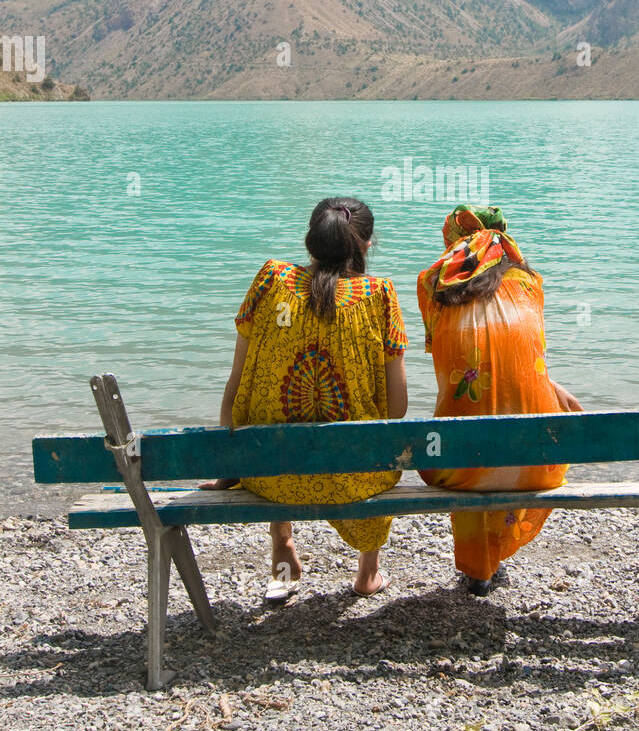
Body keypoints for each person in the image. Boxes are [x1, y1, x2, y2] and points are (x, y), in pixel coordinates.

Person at [205, 198, 408, 600]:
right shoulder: (380, 294)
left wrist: (231, 450)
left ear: (310, 240)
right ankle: (368, 573)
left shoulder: (270, 279)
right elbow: (396, 409)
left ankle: (283, 545)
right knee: (370, 437)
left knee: (274, 417)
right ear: (365, 245)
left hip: (269, 473)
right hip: (353, 475)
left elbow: (238, 379)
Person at [417, 204, 581, 595]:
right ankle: (489, 561)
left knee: (464, 424)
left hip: (459, 468)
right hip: (538, 464)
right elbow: (528, 361)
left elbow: (447, 367)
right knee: (506, 420)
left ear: (452, 241)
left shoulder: (433, 287)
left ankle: (479, 568)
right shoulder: (529, 283)